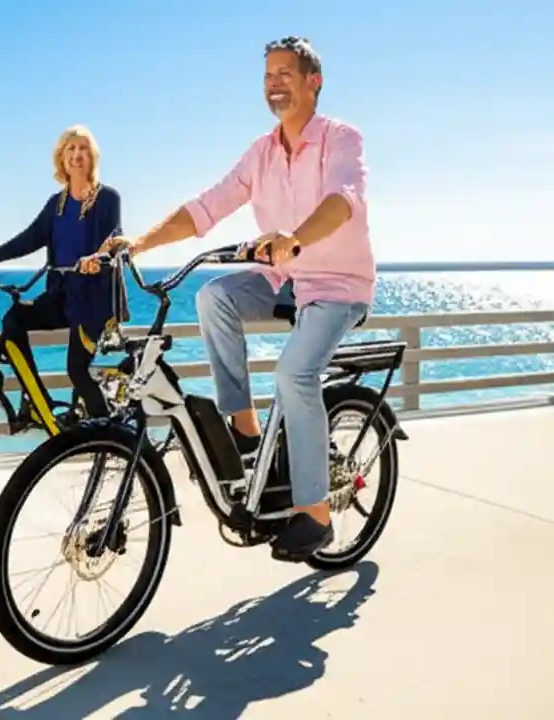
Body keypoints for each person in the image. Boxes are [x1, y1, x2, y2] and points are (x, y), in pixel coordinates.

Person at [87, 36, 373, 561]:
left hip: (336, 283)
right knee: (213, 296)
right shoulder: (260, 153)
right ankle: (245, 429)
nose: (274, 83)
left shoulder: (340, 139)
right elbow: (207, 208)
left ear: (314, 82)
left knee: (294, 375)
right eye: (268, 75)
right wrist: (141, 242)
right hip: (283, 276)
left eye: (286, 73)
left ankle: (315, 514)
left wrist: (294, 238)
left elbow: (343, 202)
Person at [0, 124, 128, 432]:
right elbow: (29, 238)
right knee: (15, 319)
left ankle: (109, 437)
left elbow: (115, 238)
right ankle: (39, 405)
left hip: (93, 301)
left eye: (83, 149)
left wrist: (99, 259)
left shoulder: (108, 198)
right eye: (71, 149)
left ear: (92, 156)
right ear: (61, 158)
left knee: (77, 370)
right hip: (61, 296)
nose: (77, 155)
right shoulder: (57, 204)